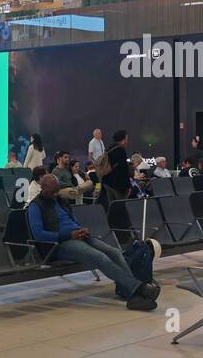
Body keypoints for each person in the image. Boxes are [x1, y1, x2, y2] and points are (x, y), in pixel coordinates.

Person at [26, 175, 157, 311]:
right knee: (98, 257)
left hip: (77, 236)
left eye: (57, 190)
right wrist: (69, 234)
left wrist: (81, 229)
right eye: (52, 191)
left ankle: (129, 291)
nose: (55, 194)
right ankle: (138, 289)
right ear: (43, 189)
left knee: (114, 252)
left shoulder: (61, 201)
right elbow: (39, 235)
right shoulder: (35, 207)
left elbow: (73, 221)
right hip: (58, 245)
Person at [101, 130, 132, 203]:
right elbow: (123, 170)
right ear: (123, 140)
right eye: (126, 139)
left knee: (112, 207)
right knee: (121, 206)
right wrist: (128, 186)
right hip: (118, 185)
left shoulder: (109, 149)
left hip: (107, 182)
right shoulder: (121, 150)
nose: (127, 141)